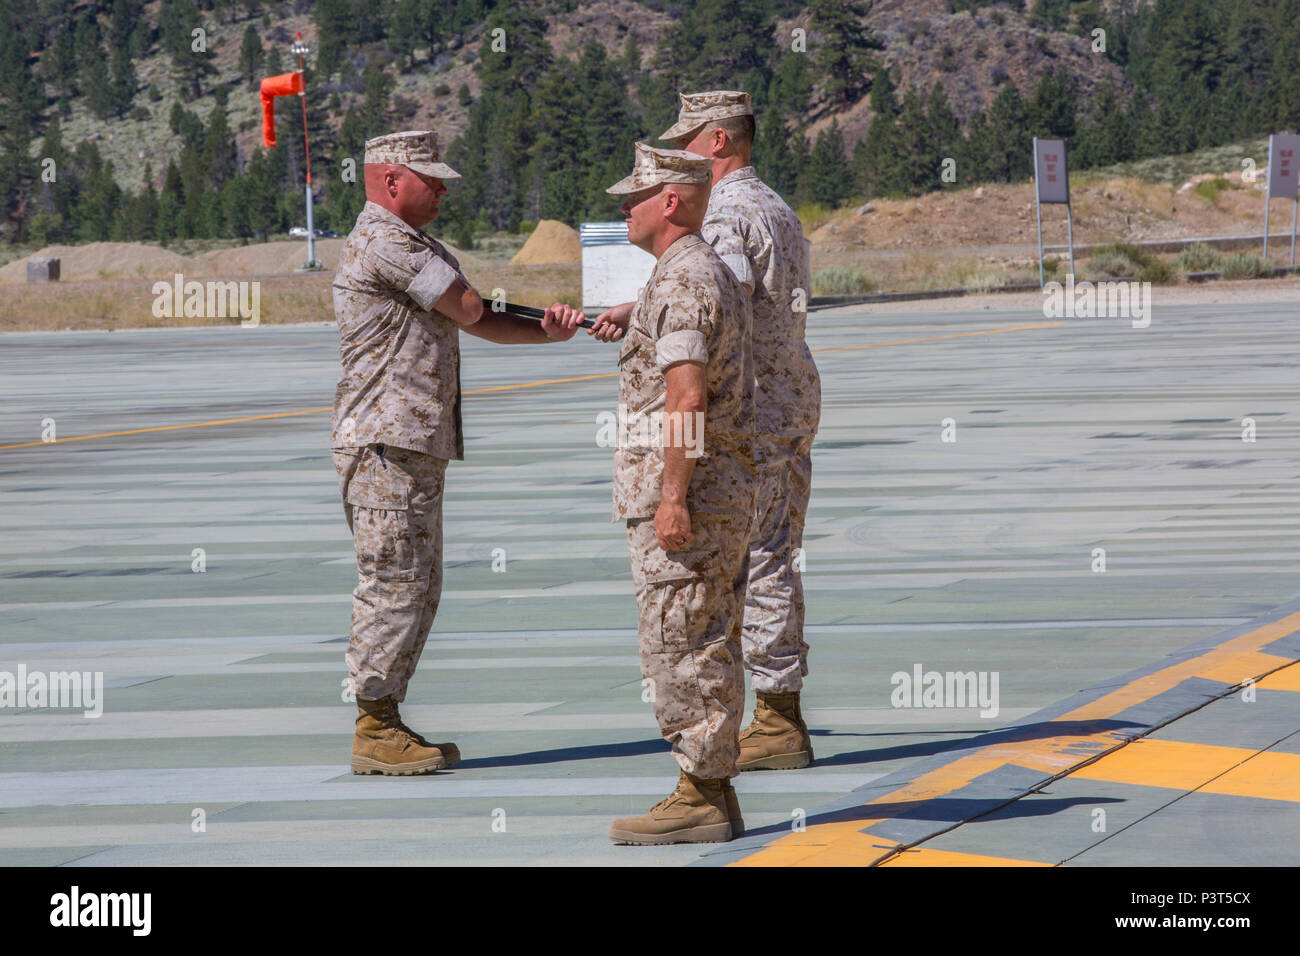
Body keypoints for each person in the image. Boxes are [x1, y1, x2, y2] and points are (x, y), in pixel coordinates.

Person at [332, 130, 582, 775]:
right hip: (386, 443)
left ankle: (383, 716)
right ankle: (374, 724)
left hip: (411, 443)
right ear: (391, 181)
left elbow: (484, 319)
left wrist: (553, 332)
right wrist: (545, 319)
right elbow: (471, 307)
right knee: (395, 584)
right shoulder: (385, 241)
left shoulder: (419, 245)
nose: (443, 188)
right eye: (431, 178)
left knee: (418, 584)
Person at [564, 142, 756, 844]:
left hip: (690, 497)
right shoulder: (685, 274)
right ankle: (709, 787)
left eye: (635, 196)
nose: (624, 207)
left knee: (682, 644)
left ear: (670, 202)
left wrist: (674, 495)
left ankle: (703, 793)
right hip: (717, 490)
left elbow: (688, 396)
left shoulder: (683, 280)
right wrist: (623, 314)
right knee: (702, 638)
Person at [666, 90, 821, 771]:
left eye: (689, 139)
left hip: (752, 413)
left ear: (719, 142)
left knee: (757, 562)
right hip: (787, 403)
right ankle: (778, 709)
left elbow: (714, 303)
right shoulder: (775, 205)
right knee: (775, 551)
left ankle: (778, 716)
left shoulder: (727, 212)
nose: (681, 154)